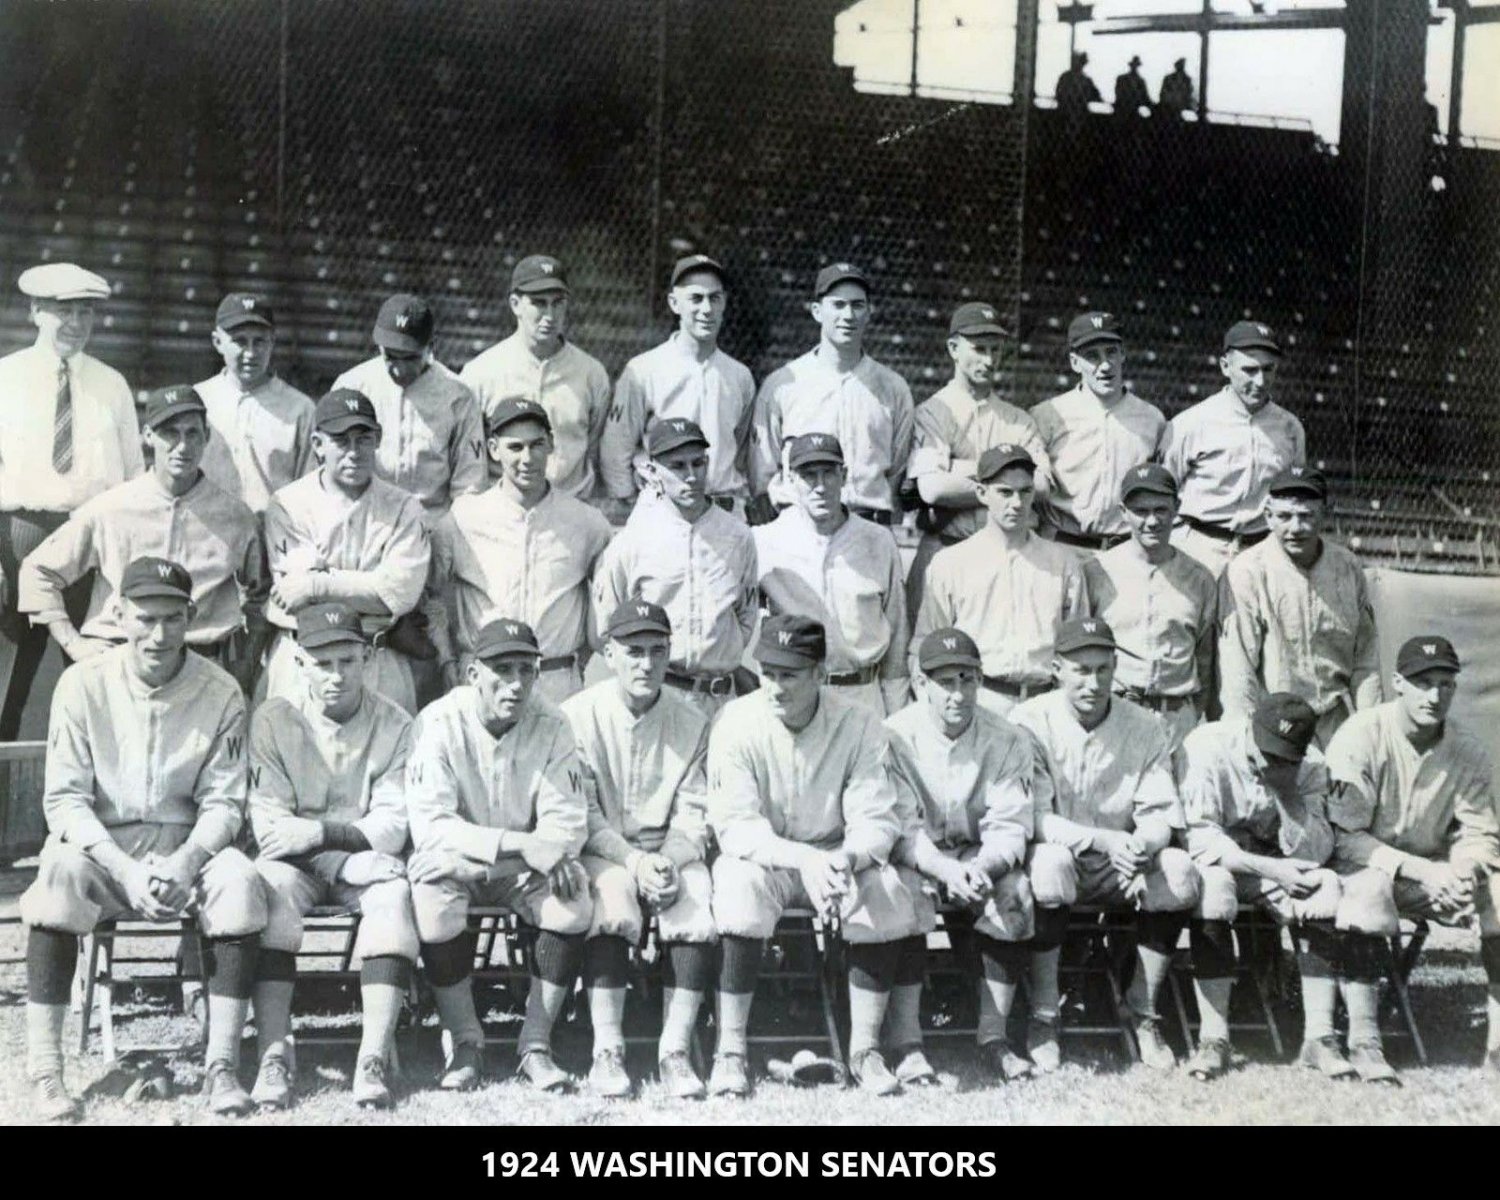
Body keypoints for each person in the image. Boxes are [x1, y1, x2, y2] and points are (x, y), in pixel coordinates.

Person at [18, 557, 266, 1121]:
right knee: (55, 877)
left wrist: (185, 863)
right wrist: (125, 871)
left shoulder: (220, 689)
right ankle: (45, 1070)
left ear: (191, 617)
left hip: (186, 848)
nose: (159, 634)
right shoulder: (82, 684)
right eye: (146, 618)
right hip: (103, 850)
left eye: (173, 619)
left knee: (241, 881)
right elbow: (64, 799)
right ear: (119, 613)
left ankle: (221, 1064)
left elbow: (226, 801)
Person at [706, 615, 921, 1097]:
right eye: (768, 673)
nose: (776, 686)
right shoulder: (737, 720)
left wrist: (848, 859)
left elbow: (877, 819)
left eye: (790, 674)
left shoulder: (860, 722)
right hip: (767, 857)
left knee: (885, 888)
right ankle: (731, 1049)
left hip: (835, 857)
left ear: (820, 673)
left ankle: (865, 1049)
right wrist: (804, 859)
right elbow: (735, 826)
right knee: (737, 887)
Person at [406, 618, 592, 1093]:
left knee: (573, 903)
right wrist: (523, 846)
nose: (515, 684)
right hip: (463, 861)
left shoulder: (552, 722)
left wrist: (507, 857)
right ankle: (465, 1041)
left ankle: (536, 1045)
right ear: (472, 673)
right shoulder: (438, 722)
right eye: (502, 669)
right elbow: (432, 825)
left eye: (527, 670)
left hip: (512, 870)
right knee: (432, 901)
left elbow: (565, 828)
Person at [248, 602, 418, 1111]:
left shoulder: (395, 723)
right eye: (323, 663)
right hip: (306, 866)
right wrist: (341, 858)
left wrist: (320, 834)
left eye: (348, 660)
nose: (337, 675)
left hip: (367, 860)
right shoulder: (273, 720)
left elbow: (393, 823)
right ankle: (273, 1053)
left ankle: (373, 1056)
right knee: (270, 893)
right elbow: (272, 830)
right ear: (300, 662)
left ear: (367, 657)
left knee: (393, 896)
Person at [1012, 618, 1203, 1072]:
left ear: (1116, 667)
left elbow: (1161, 812)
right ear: (1057, 669)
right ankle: (1044, 1013)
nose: (1092, 682)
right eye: (1080, 670)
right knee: (1051, 866)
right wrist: (1103, 839)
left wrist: (1143, 844)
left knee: (1178, 870)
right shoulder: (1028, 720)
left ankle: (1143, 1009)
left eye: (1102, 669)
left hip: (1123, 863)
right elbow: (1033, 818)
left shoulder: (1145, 724)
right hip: (1065, 855)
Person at [560, 600, 716, 1099]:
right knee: (611, 900)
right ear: (608, 653)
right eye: (633, 651)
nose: (646, 664)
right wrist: (633, 861)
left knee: (694, 900)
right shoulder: (576, 716)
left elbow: (695, 808)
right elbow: (581, 812)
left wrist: (669, 858)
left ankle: (674, 1050)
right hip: (605, 849)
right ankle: (608, 1048)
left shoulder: (692, 720)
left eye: (657, 651)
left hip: (670, 851)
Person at [1326, 636, 1500, 1081]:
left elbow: (1480, 833)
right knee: (1369, 891)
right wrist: (1422, 870)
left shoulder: (1469, 751)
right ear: (1398, 683)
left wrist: (1467, 870)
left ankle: (1498, 1043)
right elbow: (1343, 836)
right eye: (1423, 683)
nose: (1435, 695)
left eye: (1446, 684)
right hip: (1364, 867)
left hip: (1434, 876)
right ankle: (1364, 1041)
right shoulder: (1361, 734)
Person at [18, 384, 268, 694]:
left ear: (207, 437)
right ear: (148, 436)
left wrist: (246, 663)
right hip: (121, 658)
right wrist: (74, 643)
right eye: (170, 433)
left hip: (201, 663)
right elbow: (37, 571)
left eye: (192, 434)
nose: (182, 446)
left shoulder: (235, 516)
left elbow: (261, 597)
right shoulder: (111, 507)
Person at [885, 628, 1038, 1083]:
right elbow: (899, 828)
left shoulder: (1008, 737)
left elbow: (1010, 826)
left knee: (1015, 892)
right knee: (902, 894)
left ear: (980, 681)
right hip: (917, 856)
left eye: (967, 680)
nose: (957, 694)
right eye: (945, 682)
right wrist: (944, 869)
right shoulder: (892, 735)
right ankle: (909, 1043)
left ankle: (994, 1038)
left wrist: (980, 868)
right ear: (921, 683)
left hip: (977, 855)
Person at [0, 261, 143, 740]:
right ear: (36, 312)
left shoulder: (112, 385)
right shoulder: (7, 378)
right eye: (65, 312)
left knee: (90, 681)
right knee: (9, 683)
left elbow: (133, 479)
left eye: (86, 313)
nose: (77, 325)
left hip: (89, 543)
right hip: (17, 538)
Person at [1179, 693, 1346, 1082]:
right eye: (1267, 750)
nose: (1271, 762)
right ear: (1251, 724)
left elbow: (1318, 851)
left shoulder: (1311, 766)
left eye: (1285, 757)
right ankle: (1213, 1038)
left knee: (1324, 885)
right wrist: (1272, 868)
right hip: (1221, 861)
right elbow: (1200, 837)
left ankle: (1319, 1037)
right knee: (1214, 889)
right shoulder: (1207, 744)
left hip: (1275, 865)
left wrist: (1287, 794)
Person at [427, 397, 612, 705]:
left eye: (537, 444)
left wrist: (583, 660)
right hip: (487, 678)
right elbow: (430, 595)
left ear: (551, 444)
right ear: (493, 450)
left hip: (556, 681)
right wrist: (446, 659)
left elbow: (610, 601)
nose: (527, 458)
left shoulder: (587, 523)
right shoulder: (464, 518)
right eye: (515, 447)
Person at [262, 389, 431, 714]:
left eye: (363, 439)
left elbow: (398, 593)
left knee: (389, 760)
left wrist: (317, 585)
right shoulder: (288, 503)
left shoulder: (405, 507)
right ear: (317, 445)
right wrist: (368, 584)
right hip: (304, 659)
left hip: (378, 656)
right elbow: (295, 596)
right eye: (341, 440)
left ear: (378, 439)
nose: (353, 452)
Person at [594, 418, 758, 720]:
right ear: (654, 471)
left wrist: (720, 655)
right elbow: (608, 624)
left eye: (698, 464)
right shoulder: (633, 540)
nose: (691, 476)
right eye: (678, 466)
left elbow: (745, 618)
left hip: (722, 697)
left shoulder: (738, 536)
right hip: (662, 696)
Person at [912, 444, 1090, 715]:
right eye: (1005, 492)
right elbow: (926, 645)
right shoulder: (950, 563)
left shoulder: (1063, 563)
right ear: (982, 493)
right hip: (979, 702)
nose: (1017, 503)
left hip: (1044, 704)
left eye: (1025, 491)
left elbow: (1076, 647)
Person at [906, 301, 1051, 624]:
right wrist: (1007, 476)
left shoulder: (1018, 420)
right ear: (954, 349)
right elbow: (933, 489)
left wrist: (961, 467)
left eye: (994, 350)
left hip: (1005, 557)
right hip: (945, 546)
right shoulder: (934, 412)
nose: (988, 359)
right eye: (979, 348)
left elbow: (1040, 486)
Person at [1218, 466, 1380, 748]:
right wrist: (1243, 741)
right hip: (1276, 723)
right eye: (1284, 516)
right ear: (1268, 516)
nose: (1296, 527)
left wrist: (1373, 732)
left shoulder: (1348, 567)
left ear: (1324, 515)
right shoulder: (1247, 571)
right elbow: (1238, 669)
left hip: (1334, 720)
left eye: (1306, 516)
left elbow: (1366, 660)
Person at [754, 433, 910, 715]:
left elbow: (897, 634)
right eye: (809, 476)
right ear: (791, 480)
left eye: (829, 473)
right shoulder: (765, 541)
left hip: (861, 693)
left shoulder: (877, 540)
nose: (821, 486)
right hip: (797, 695)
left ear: (845, 475)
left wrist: (896, 712)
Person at [750, 262, 914, 528]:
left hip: (867, 525)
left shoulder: (893, 387)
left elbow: (897, 471)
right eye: (838, 305)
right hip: (798, 527)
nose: (848, 315)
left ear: (869, 312)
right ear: (817, 311)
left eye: (857, 305)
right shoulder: (783, 384)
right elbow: (763, 473)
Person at [600, 254, 756, 523]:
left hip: (723, 511)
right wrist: (629, 503)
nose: (706, 309)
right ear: (674, 303)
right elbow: (616, 447)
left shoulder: (739, 376)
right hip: (663, 511)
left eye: (714, 298)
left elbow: (742, 451)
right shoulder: (644, 369)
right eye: (696, 298)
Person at [459, 255, 611, 505]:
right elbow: (469, 457)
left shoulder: (591, 373)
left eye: (558, 303)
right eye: (539, 303)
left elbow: (593, 449)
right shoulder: (481, 373)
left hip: (569, 507)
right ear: (516, 304)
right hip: (502, 510)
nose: (550, 315)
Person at [1083, 464, 1217, 748]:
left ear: (1176, 508)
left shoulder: (1199, 578)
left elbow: (1205, 660)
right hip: (1117, 712)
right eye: (1141, 512)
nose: (1152, 521)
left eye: (1161, 510)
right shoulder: (1097, 572)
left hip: (1175, 717)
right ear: (1123, 513)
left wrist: (1191, 715)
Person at [1164, 321, 1305, 577]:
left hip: (1260, 549)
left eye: (1268, 369)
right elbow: (1163, 488)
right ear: (1225, 367)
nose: (1260, 381)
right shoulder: (1192, 422)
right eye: (1249, 370)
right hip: (1200, 545)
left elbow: (1294, 496)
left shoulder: (1290, 427)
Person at [332, 293, 486, 522]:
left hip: (430, 526)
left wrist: (450, 539)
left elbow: (469, 484)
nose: (399, 369)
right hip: (366, 523)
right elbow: (326, 470)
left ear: (431, 346)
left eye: (410, 358)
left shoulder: (458, 395)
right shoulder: (352, 385)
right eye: (391, 356)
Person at [1031, 312, 1167, 554]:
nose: (1105, 365)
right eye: (1092, 356)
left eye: (1111, 352)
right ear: (1074, 362)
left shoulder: (1151, 419)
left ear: (1123, 353)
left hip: (1124, 549)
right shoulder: (1048, 415)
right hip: (1062, 544)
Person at [193, 292, 315, 514]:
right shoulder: (198, 400)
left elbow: (311, 489)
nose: (250, 353)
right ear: (218, 342)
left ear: (273, 342)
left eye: (259, 342)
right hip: (209, 534)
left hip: (273, 535)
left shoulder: (300, 409)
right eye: (240, 341)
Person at [1055, 52, 1101, 120]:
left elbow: (1096, 95)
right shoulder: (1066, 78)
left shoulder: (1086, 80)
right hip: (1070, 112)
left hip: (1076, 113)